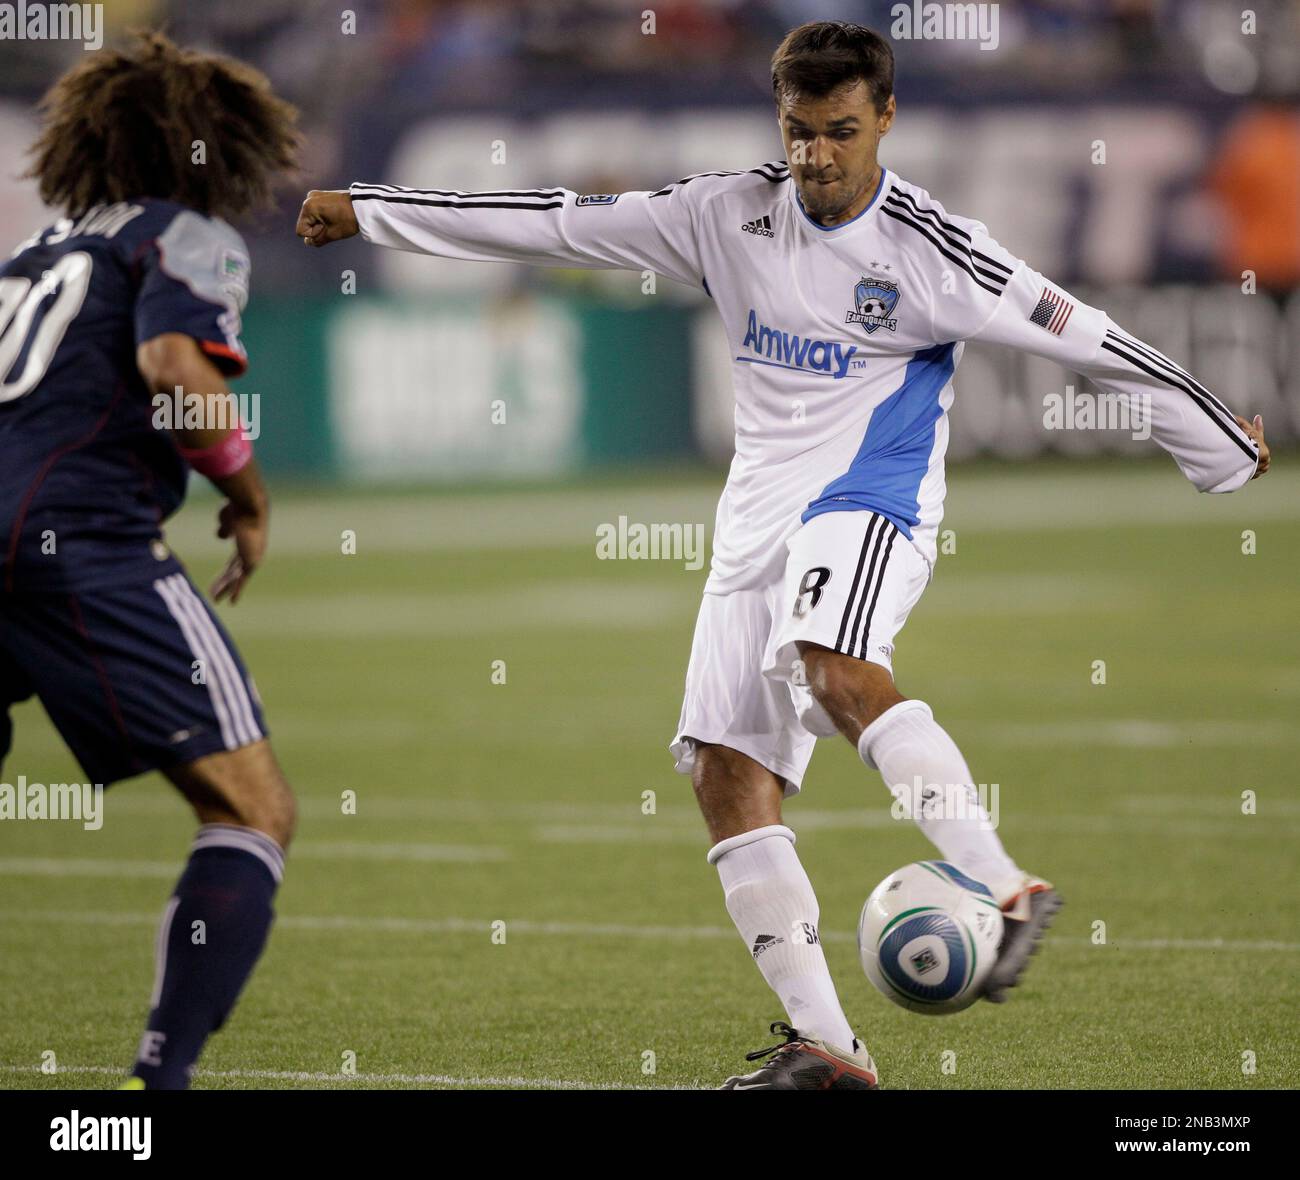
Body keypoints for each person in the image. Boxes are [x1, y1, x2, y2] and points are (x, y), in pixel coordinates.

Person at [295, 20, 1269, 1091]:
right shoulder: (724, 213)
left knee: (834, 667)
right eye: (799, 131)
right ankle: (828, 1048)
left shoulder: (936, 251)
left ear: (886, 118)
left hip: (871, 500)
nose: (816, 155)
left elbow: (1087, 338)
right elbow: (559, 223)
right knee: (725, 771)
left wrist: (1217, 442)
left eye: (840, 131)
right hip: (755, 523)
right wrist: (371, 210)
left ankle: (1001, 887)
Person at [1, 32, 300, 1089]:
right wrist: (247, 498)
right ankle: (156, 1089)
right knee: (252, 809)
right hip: (76, 536)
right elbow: (175, 367)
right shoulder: (185, 234)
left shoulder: (30, 256)